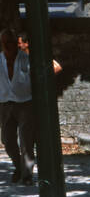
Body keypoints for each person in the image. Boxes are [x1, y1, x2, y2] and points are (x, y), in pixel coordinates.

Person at [0, 29, 61, 184]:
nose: (8, 46)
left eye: (11, 42)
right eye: (5, 43)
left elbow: (53, 68)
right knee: (7, 140)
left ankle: (27, 175)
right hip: (6, 103)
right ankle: (19, 167)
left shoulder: (27, 58)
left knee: (26, 141)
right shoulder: (0, 60)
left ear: (16, 43)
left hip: (25, 103)